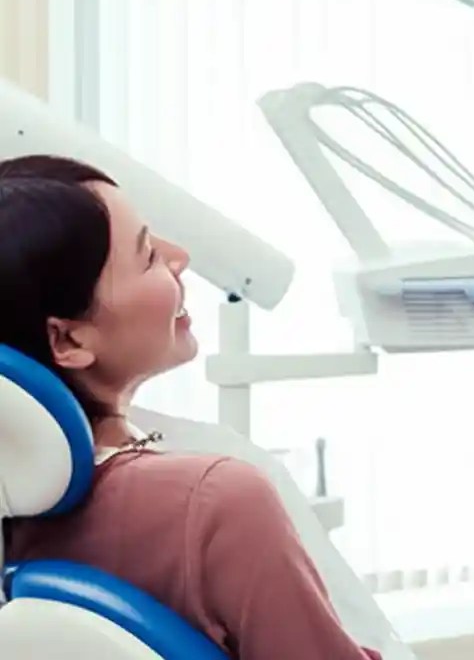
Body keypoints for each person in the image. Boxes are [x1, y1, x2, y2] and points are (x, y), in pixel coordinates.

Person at [0, 155, 382, 659]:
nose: (180, 256)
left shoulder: (17, 520)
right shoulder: (214, 502)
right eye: (149, 256)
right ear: (68, 338)